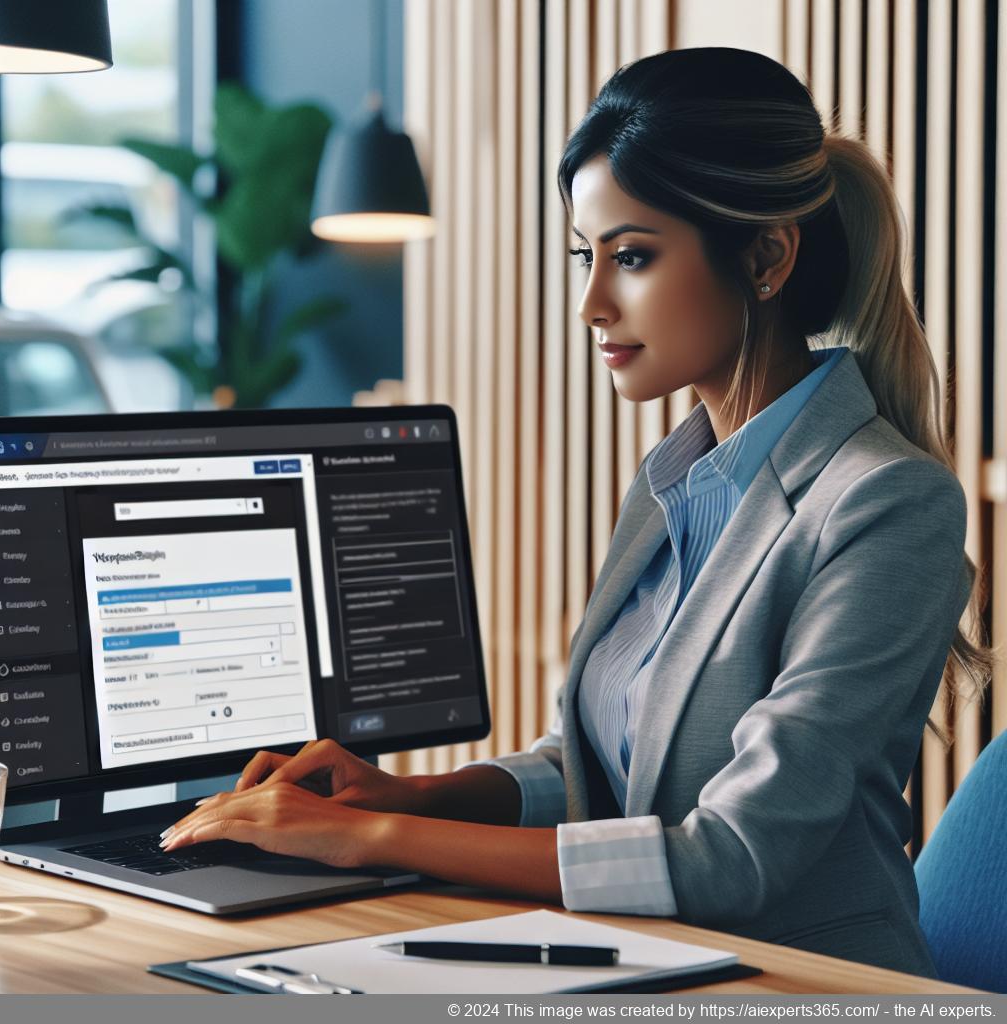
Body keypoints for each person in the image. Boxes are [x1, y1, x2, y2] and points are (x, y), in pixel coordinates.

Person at [160, 47, 991, 976]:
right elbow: (597, 774)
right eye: (584, 256)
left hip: (799, 981)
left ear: (765, 258)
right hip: (638, 961)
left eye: (632, 257)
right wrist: (401, 795)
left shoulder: (884, 502)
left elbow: (731, 856)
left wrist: (371, 838)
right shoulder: (674, 479)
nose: (593, 302)